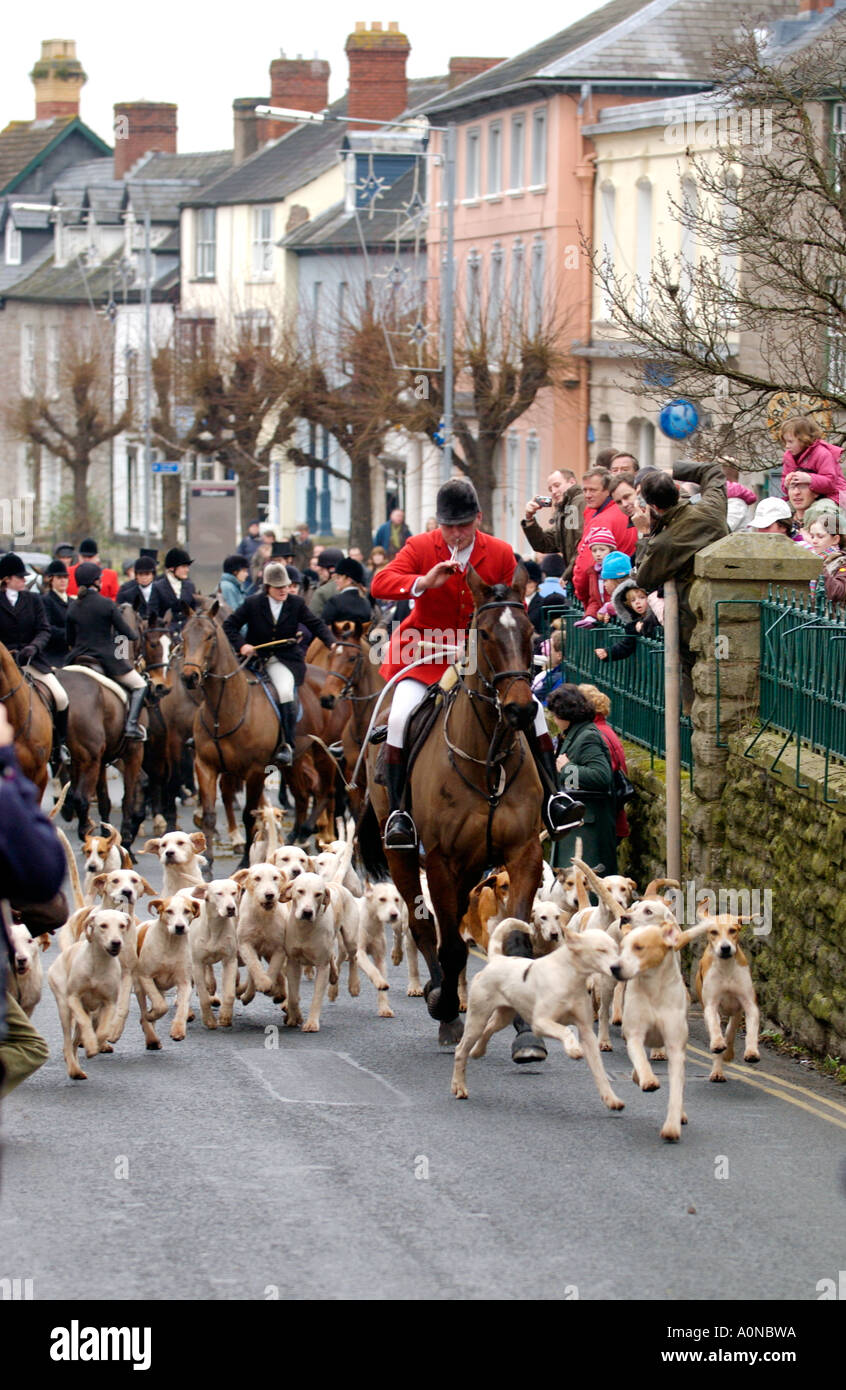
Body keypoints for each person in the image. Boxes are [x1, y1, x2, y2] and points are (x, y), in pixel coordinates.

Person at [369, 477, 585, 852]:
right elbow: (380, 583)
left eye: (463, 526)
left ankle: (554, 799)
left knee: (531, 713)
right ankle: (400, 814)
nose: (455, 534)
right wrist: (422, 581)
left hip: (483, 658)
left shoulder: (500, 553)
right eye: (448, 526)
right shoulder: (421, 546)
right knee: (401, 716)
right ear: (439, 524)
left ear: (478, 519)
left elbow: (510, 609)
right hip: (426, 653)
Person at [0, 703, 65, 1100]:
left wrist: (37, 645)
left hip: (42, 659)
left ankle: (66, 749)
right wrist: (7, 763)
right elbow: (44, 871)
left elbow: (56, 633)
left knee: (58, 697)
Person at [635, 462, 730, 711]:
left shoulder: (665, 542)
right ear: (677, 490)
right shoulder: (712, 508)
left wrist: (645, 533)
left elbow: (643, 578)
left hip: (693, 621)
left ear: (653, 507)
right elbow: (713, 471)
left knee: (696, 693)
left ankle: (692, 723)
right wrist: (673, 470)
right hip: (729, 604)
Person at [222, 562, 334, 765]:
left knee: (284, 691)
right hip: (255, 659)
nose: (284, 590)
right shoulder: (252, 603)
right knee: (225, 684)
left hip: (283, 661)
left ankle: (287, 744)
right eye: (279, 587)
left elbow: (316, 624)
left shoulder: (296, 603)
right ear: (267, 587)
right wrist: (242, 645)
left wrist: (331, 643)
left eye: (286, 586)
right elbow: (229, 625)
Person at [0, 552, 70, 765]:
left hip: (32, 661)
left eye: (24, 577)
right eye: (19, 577)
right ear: (5, 579)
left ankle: (60, 746)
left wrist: (34, 646)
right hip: (3, 665)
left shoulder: (34, 600)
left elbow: (44, 629)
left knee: (61, 697)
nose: (24, 580)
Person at [66, 563, 150, 739]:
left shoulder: (73, 606)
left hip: (77, 658)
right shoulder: (107, 604)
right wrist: (135, 633)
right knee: (140, 685)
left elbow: (70, 639)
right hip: (105, 659)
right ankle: (131, 725)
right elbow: (128, 634)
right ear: (96, 581)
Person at [546, 684, 616, 874]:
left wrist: (567, 769)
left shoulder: (587, 737)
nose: (553, 719)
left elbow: (601, 776)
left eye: (555, 714)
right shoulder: (574, 734)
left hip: (588, 826)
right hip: (575, 820)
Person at [572, 469, 637, 605]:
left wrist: (583, 598)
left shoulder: (602, 520)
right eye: (585, 490)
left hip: (606, 597)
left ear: (607, 491)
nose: (587, 495)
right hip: (625, 594)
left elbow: (585, 566)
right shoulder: (626, 514)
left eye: (593, 490)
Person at [577, 683, 631, 844]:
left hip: (600, 820)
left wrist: (567, 769)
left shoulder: (592, 736)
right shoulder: (603, 730)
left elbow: (600, 776)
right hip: (612, 817)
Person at [521, 469, 585, 581]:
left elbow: (580, 546)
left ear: (572, 482)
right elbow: (544, 543)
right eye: (550, 489)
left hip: (580, 577)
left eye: (557, 485)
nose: (553, 491)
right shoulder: (567, 508)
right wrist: (529, 518)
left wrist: (567, 575)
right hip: (577, 577)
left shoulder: (576, 504)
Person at [780, 416, 846, 508]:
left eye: (790, 442)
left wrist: (809, 479)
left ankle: (827, 522)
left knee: (821, 510)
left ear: (803, 440)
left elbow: (830, 482)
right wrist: (786, 484)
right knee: (780, 510)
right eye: (785, 442)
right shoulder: (789, 457)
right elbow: (784, 481)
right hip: (805, 496)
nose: (787, 446)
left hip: (833, 496)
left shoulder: (822, 453)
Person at [595, 580, 662, 661]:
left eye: (642, 597)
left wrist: (645, 626)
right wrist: (608, 652)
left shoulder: (658, 615)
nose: (637, 602)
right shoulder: (632, 625)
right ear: (629, 605)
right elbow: (626, 645)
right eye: (633, 600)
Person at [146, 548, 200, 631]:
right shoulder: (158, 587)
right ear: (172, 568)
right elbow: (152, 614)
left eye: (187, 567)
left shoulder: (190, 586)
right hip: (165, 631)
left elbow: (194, 610)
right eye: (183, 567)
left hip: (187, 631)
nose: (187, 570)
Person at [41, 559, 74, 667]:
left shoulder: (73, 602)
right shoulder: (45, 601)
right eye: (59, 578)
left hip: (74, 651)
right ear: (51, 580)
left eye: (65, 577)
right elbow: (48, 628)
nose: (63, 581)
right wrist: (71, 635)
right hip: (54, 654)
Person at [747, 497, 815, 548]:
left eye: (766, 527)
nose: (761, 532)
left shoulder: (803, 549)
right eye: (759, 527)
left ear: (783, 526)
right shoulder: (754, 549)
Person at [308, 547, 344, 618]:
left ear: (332, 570)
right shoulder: (356, 588)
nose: (320, 573)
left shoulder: (322, 592)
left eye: (322, 569)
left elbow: (312, 616)